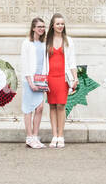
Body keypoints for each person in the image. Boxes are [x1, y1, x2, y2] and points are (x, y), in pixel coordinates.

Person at [44, 13, 77, 148]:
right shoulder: (47, 40)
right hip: (49, 77)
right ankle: (54, 136)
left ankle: (61, 135)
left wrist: (75, 78)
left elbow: (72, 61)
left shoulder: (68, 40)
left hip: (63, 78)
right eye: (58, 24)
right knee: (52, 105)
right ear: (53, 25)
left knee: (61, 105)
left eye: (62, 24)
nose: (60, 26)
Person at [19, 17, 49, 148]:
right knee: (28, 108)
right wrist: (30, 81)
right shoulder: (27, 43)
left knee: (40, 107)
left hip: (41, 79)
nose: (41, 29)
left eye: (43, 27)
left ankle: (36, 136)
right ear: (33, 28)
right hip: (29, 80)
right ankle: (29, 137)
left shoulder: (44, 44)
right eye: (39, 27)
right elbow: (24, 63)